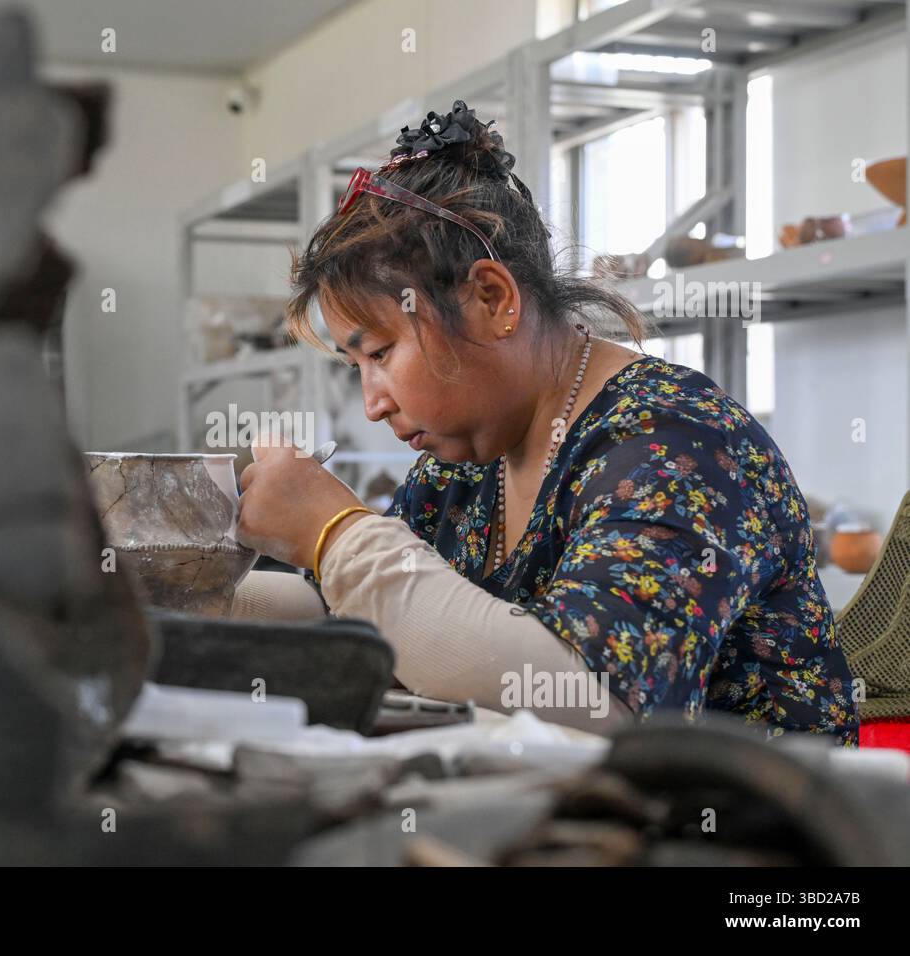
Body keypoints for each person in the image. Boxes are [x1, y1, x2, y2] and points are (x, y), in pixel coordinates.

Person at [233, 100, 858, 745]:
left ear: (491, 299)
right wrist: (183, 589)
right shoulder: (462, 471)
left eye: (381, 353)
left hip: (752, 825)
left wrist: (337, 533)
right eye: (356, 366)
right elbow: (353, 615)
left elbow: (589, 697)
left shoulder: (675, 442)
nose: (373, 402)